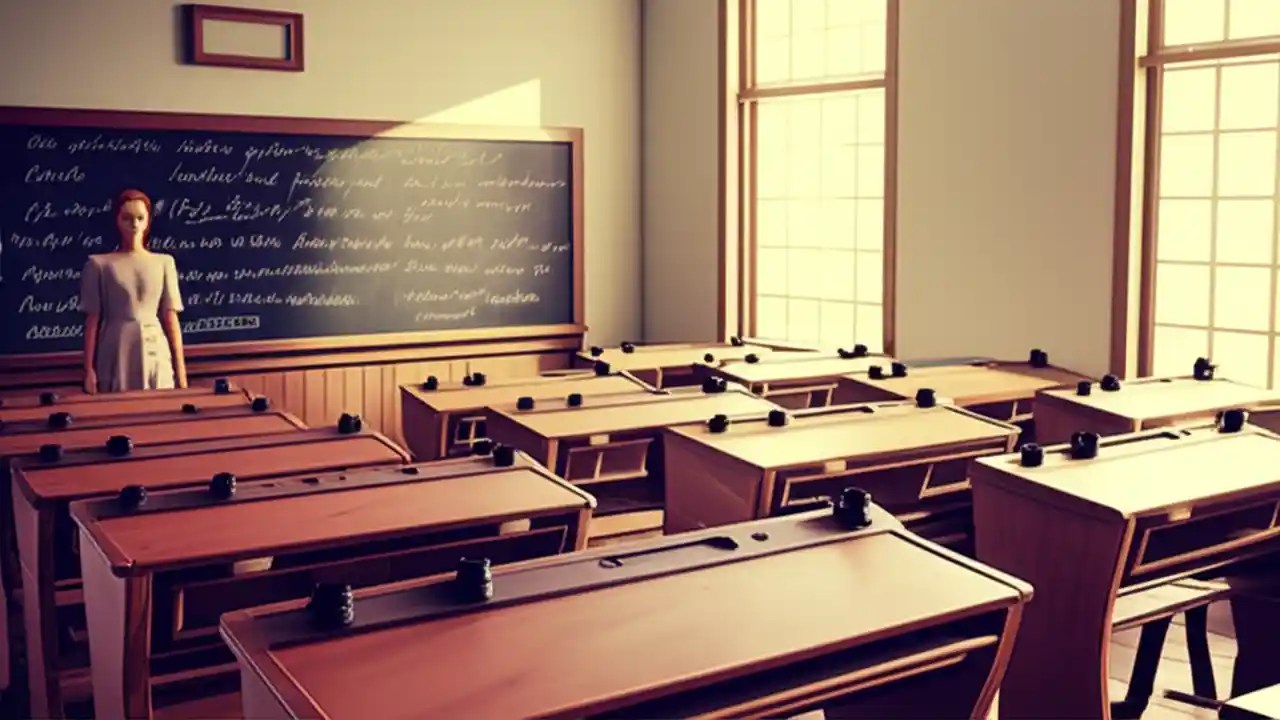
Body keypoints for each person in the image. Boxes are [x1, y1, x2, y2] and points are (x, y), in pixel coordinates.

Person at [79, 188, 188, 393]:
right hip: (116, 346)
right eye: (127, 218)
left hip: (155, 345)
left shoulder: (164, 262)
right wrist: (88, 370)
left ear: (148, 221)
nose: (134, 225)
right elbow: (92, 320)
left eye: (140, 218)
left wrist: (181, 371)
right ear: (117, 220)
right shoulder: (99, 264)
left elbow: (170, 318)